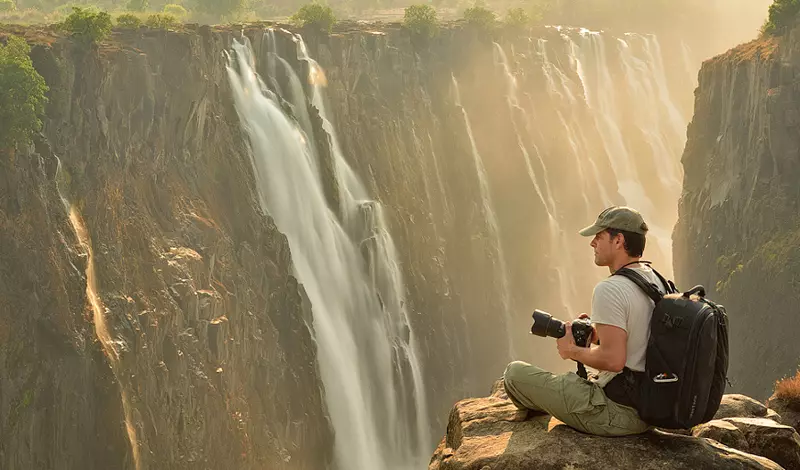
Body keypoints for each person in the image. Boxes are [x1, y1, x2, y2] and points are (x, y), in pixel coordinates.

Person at [503, 206, 667, 437]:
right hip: (649, 407)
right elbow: (641, 333)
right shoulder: (655, 279)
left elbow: (614, 360)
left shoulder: (610, 289)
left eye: (599, 236)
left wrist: (572, 351)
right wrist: (598, 333)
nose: (592, 243)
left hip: (617, 414)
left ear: (618, 240)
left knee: (514, 375)